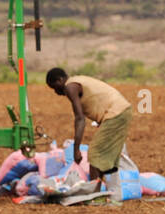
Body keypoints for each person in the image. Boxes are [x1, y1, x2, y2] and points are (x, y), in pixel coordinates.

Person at [45, 67, 133, 201]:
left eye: (54, 87)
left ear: (60, 80)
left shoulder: (70, 87)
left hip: (115, 113)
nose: (56, 92)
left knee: (95, 153)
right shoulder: (77, 80)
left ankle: (95, 196)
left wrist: (76, 150)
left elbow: (80, 118)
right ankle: (112, 195)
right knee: (108, 157)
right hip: (122, 111)